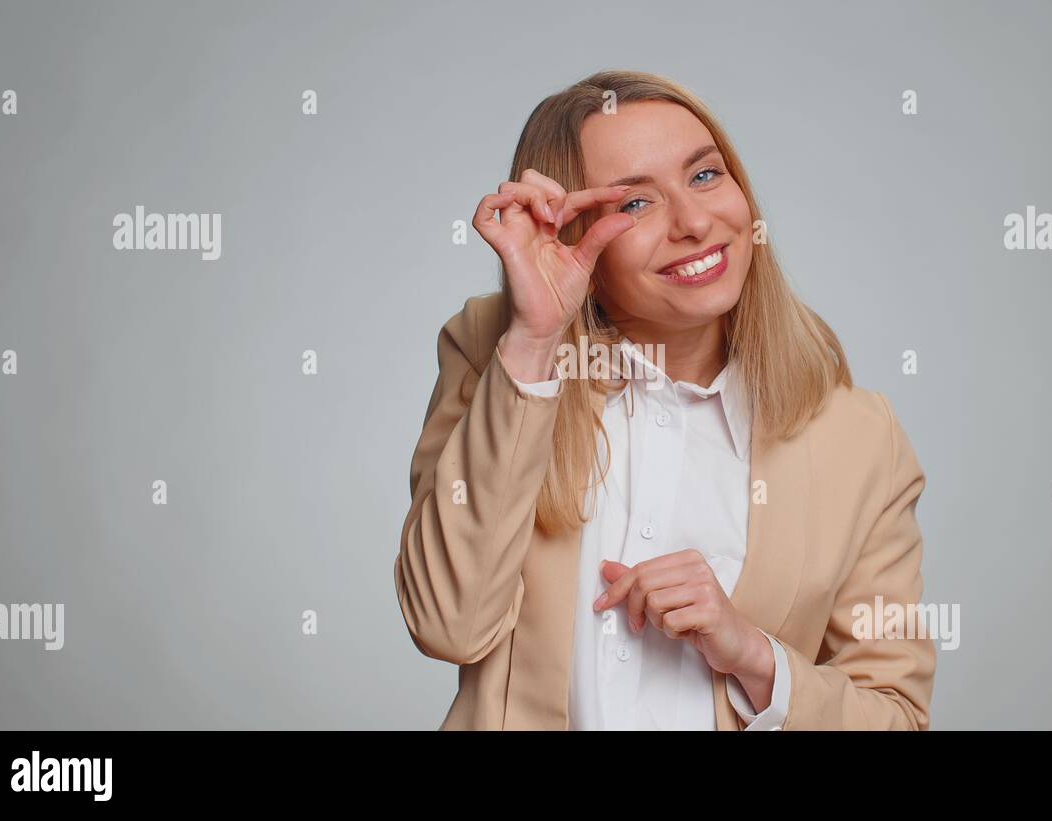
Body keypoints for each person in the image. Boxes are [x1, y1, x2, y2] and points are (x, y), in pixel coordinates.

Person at [395, 69, 935, 730]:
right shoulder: (494, 350)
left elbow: (897, 715)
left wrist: (755, 657)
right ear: (570, 235)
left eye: (705, 175)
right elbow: (448, 624)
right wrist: (535, 340)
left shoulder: (858, 436)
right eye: (634, 203)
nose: (695, 221)